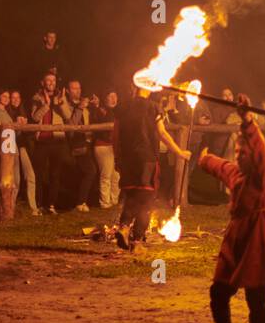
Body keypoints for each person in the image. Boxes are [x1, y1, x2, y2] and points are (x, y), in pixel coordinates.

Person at [194, 95, 265, 323]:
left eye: (244, 153)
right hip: (236, 237)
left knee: (256, 296)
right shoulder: (238, 174)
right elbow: (222, 167)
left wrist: (248, 122)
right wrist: (204, 160)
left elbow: (262, 151)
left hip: (256, 237)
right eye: (238, 152)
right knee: (218, 292)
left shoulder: (263, 177)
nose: (240, 156)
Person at [112, 84, 190, 250]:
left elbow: (115, 134)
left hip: (127, 159)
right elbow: (162, 133)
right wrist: (179, 152)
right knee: (146, 201)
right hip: (147, 160)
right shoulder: (153, 107)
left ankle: (124, 227)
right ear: (146, 88)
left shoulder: (123, 107)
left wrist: (117, 157)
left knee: (132, 194)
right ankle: (137, 241)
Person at [31, 74, 68, 215]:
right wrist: (46, 105)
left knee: (55, 174)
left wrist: (61, 104)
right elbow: (34, 118)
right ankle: (39, 205)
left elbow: (67, 117)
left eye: (53, 80)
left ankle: (51, 205)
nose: (51, 82)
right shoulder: (36, 98)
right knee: (39, 174)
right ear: (43, 82)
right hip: (42, 141)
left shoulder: (61, 97)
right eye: (48, 80)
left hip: (57, 140)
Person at [60, 79, 97, 212]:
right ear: (68, 91)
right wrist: (80, 107)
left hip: (86, 142)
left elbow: (90, 122)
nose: (78, 91)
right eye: (74, 88)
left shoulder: (85, 104)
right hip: (74, 143)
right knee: (90, 171)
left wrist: (96, 106)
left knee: (84, 173)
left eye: (79, 88)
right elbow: (72, 124)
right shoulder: (65, 105)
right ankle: (80, 202)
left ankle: (80, 202)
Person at [7, 89, 39, 215]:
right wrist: (15, 125)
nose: (15, 100)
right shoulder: (7, 112)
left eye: (17, 97)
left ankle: (33, 207)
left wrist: (25, 126)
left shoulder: (23, 111)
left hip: (23, 146)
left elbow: (30, 131)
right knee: (16, 179)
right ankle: (10, 207)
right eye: (13, 97)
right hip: (11, 148)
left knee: (30, 175)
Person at [92, 90, 120, 209]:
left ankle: (114, 201)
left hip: (115, 146)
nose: (113, 99)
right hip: (103, 145)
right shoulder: (101, 111)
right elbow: (101, 121)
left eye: (115, 96)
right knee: (106, 175)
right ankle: (105, 203)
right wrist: (98, 106)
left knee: (116, 176)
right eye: (110, 96)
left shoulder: (119, 111)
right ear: (105, 99)